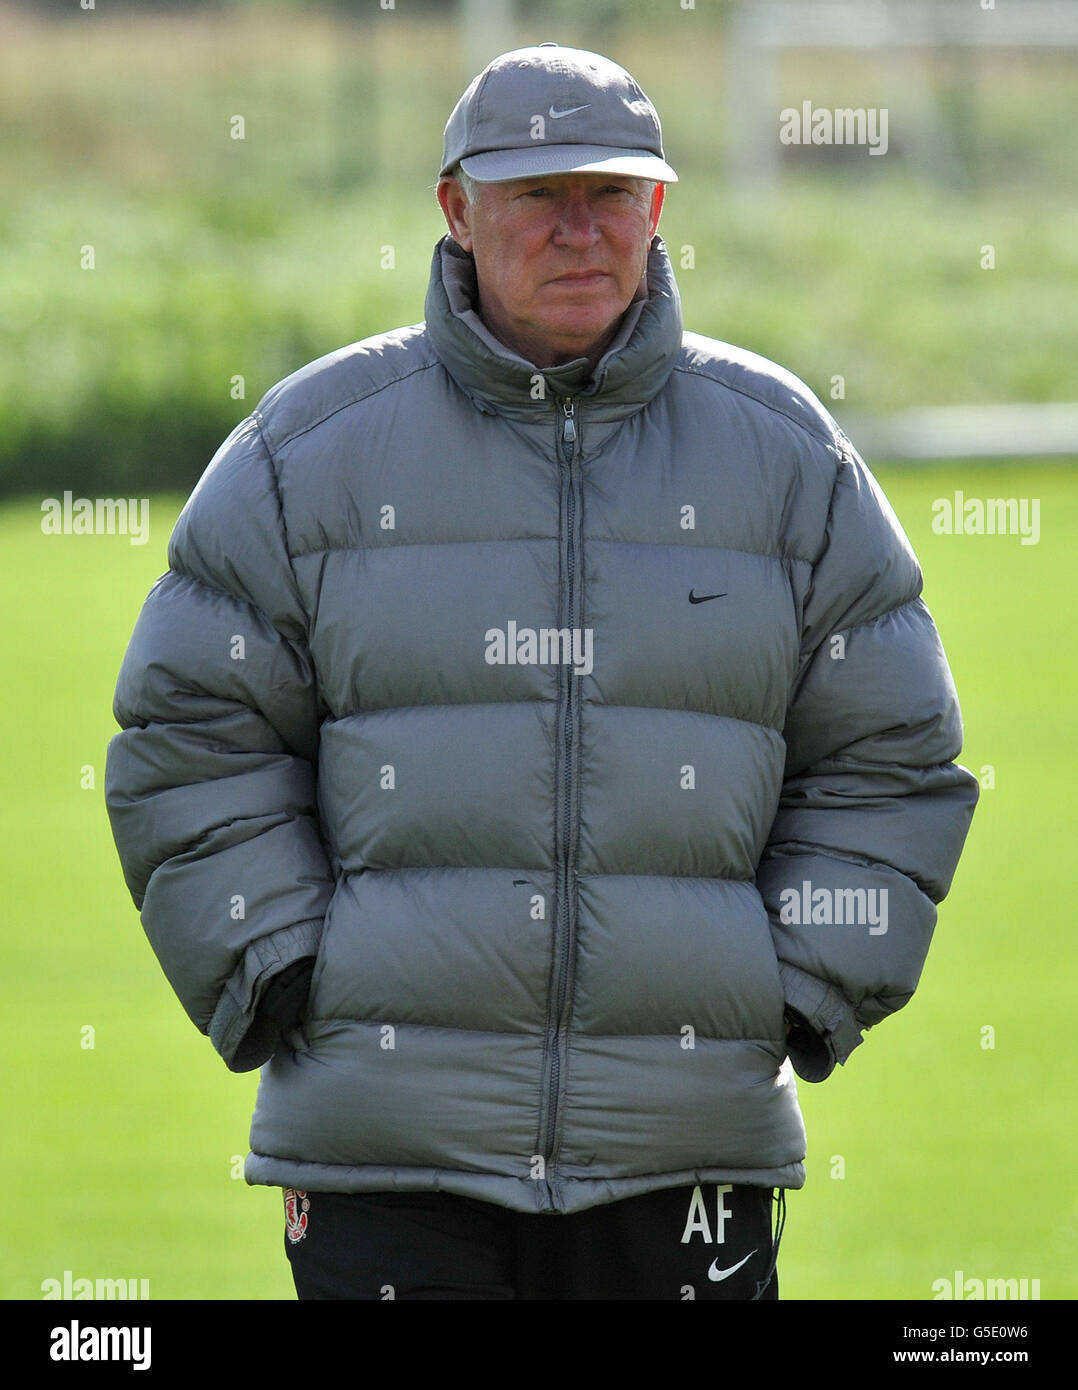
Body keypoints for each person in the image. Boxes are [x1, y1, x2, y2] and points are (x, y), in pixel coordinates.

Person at [104, 43, 978, 1301]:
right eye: (537, 195)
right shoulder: (308, 450)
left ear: (658, 210)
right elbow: (190, 734)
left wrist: (791, 988)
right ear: (458, 209)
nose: (581, 230)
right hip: (388, 1157)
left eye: (611, 194)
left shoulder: (786, 456)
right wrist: (282, 966)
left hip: (686, 1150)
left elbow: (890, 756)